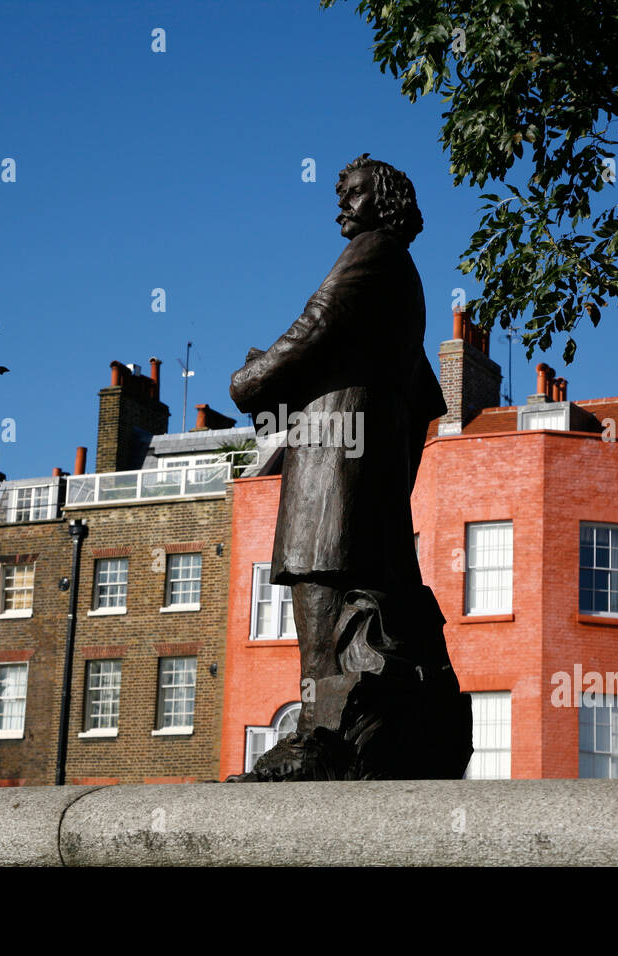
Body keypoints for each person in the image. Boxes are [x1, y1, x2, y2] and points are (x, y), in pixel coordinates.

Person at [231, 154, 450, 766]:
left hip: (334, 456)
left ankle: (319, 731)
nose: (341, 207)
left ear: (383, 200)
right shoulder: (403, 276)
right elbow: (422, 396)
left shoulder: (376, 253)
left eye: (351, 194)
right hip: (358, 456)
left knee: (316, 579)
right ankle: (326, 721)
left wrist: (251, 381)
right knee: (344, 592)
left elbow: (315, 323)